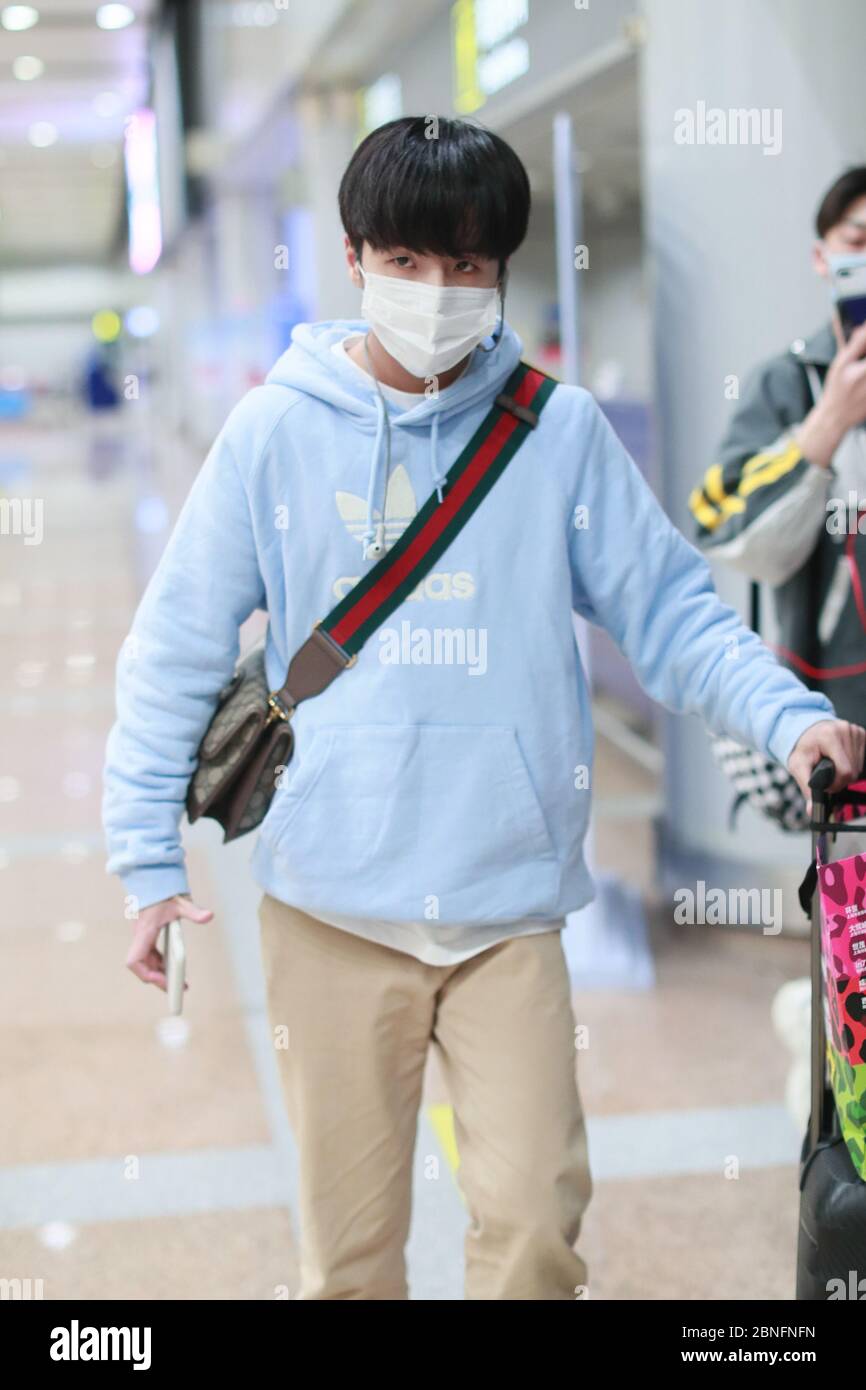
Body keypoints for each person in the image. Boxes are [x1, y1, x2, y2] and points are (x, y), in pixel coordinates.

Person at [102, 118, 864, 1301]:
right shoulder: (274, 431)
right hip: (329, 911)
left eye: (469, 265)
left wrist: (789, 716)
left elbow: (675, 613)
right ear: (355, 257)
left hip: (506, 915)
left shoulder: (553, 434)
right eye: (409, 261)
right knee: (348, 1261)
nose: (439, 291)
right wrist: (147, 858)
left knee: (532, 1240)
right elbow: (174, 649)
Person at [688, 167, 866, 726]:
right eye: (858, 243)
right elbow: (723, 528)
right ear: (822, 258)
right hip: (837, 709)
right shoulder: (785, 383)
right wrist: (831, 419)